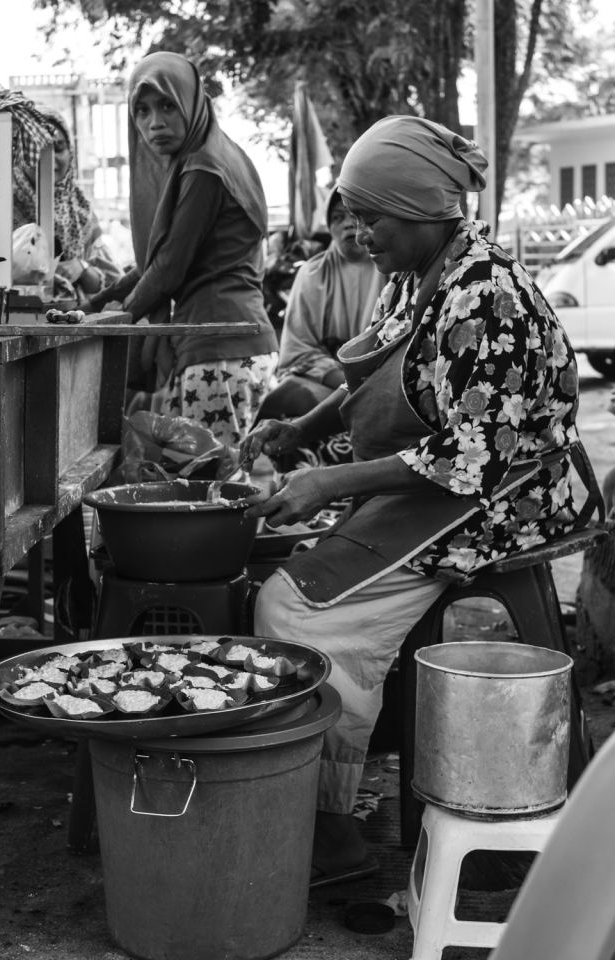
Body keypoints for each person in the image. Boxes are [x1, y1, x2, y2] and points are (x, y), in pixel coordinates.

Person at [241, 115, 599, 887]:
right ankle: (334, 787)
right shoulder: (420, 272)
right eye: (354, 215)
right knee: (304, 578)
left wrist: (328, 481)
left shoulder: (486, 298)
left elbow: (473, 456)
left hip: (508, 498)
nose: (358, 232)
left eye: (372, 217)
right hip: (446, 481)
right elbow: (368, 380)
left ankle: (331, 829)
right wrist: (295, 429)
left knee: (295, 609)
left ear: (424, 210)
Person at [96, 52, 279, 449]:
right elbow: (162, 257)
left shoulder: (203, 168)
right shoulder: (214, 153)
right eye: (141, 111)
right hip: (231, 343)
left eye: (167, 105)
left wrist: (111, 322)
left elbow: (167, 271)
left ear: (191, 103)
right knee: (212, 481)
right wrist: (103, 298)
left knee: (204, 486)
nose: (154, 123)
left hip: (220, 347)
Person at [259, 186, 386, 470]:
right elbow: (298, 351)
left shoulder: (396, 272)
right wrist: (346, 382)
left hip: (381, 386)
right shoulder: (312, 273)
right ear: (328, 226)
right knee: (295, 404)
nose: (346, 225)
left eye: (355, 216)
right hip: (332, 384)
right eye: (337, 217)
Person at [11, 106, 122, 296]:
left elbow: (113, 285)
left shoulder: (81, 213)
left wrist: (82, 269)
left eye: (59, 148)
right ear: (18, 154)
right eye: (37, 149)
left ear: (70, 152)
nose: (50, 159)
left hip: (71, 320)